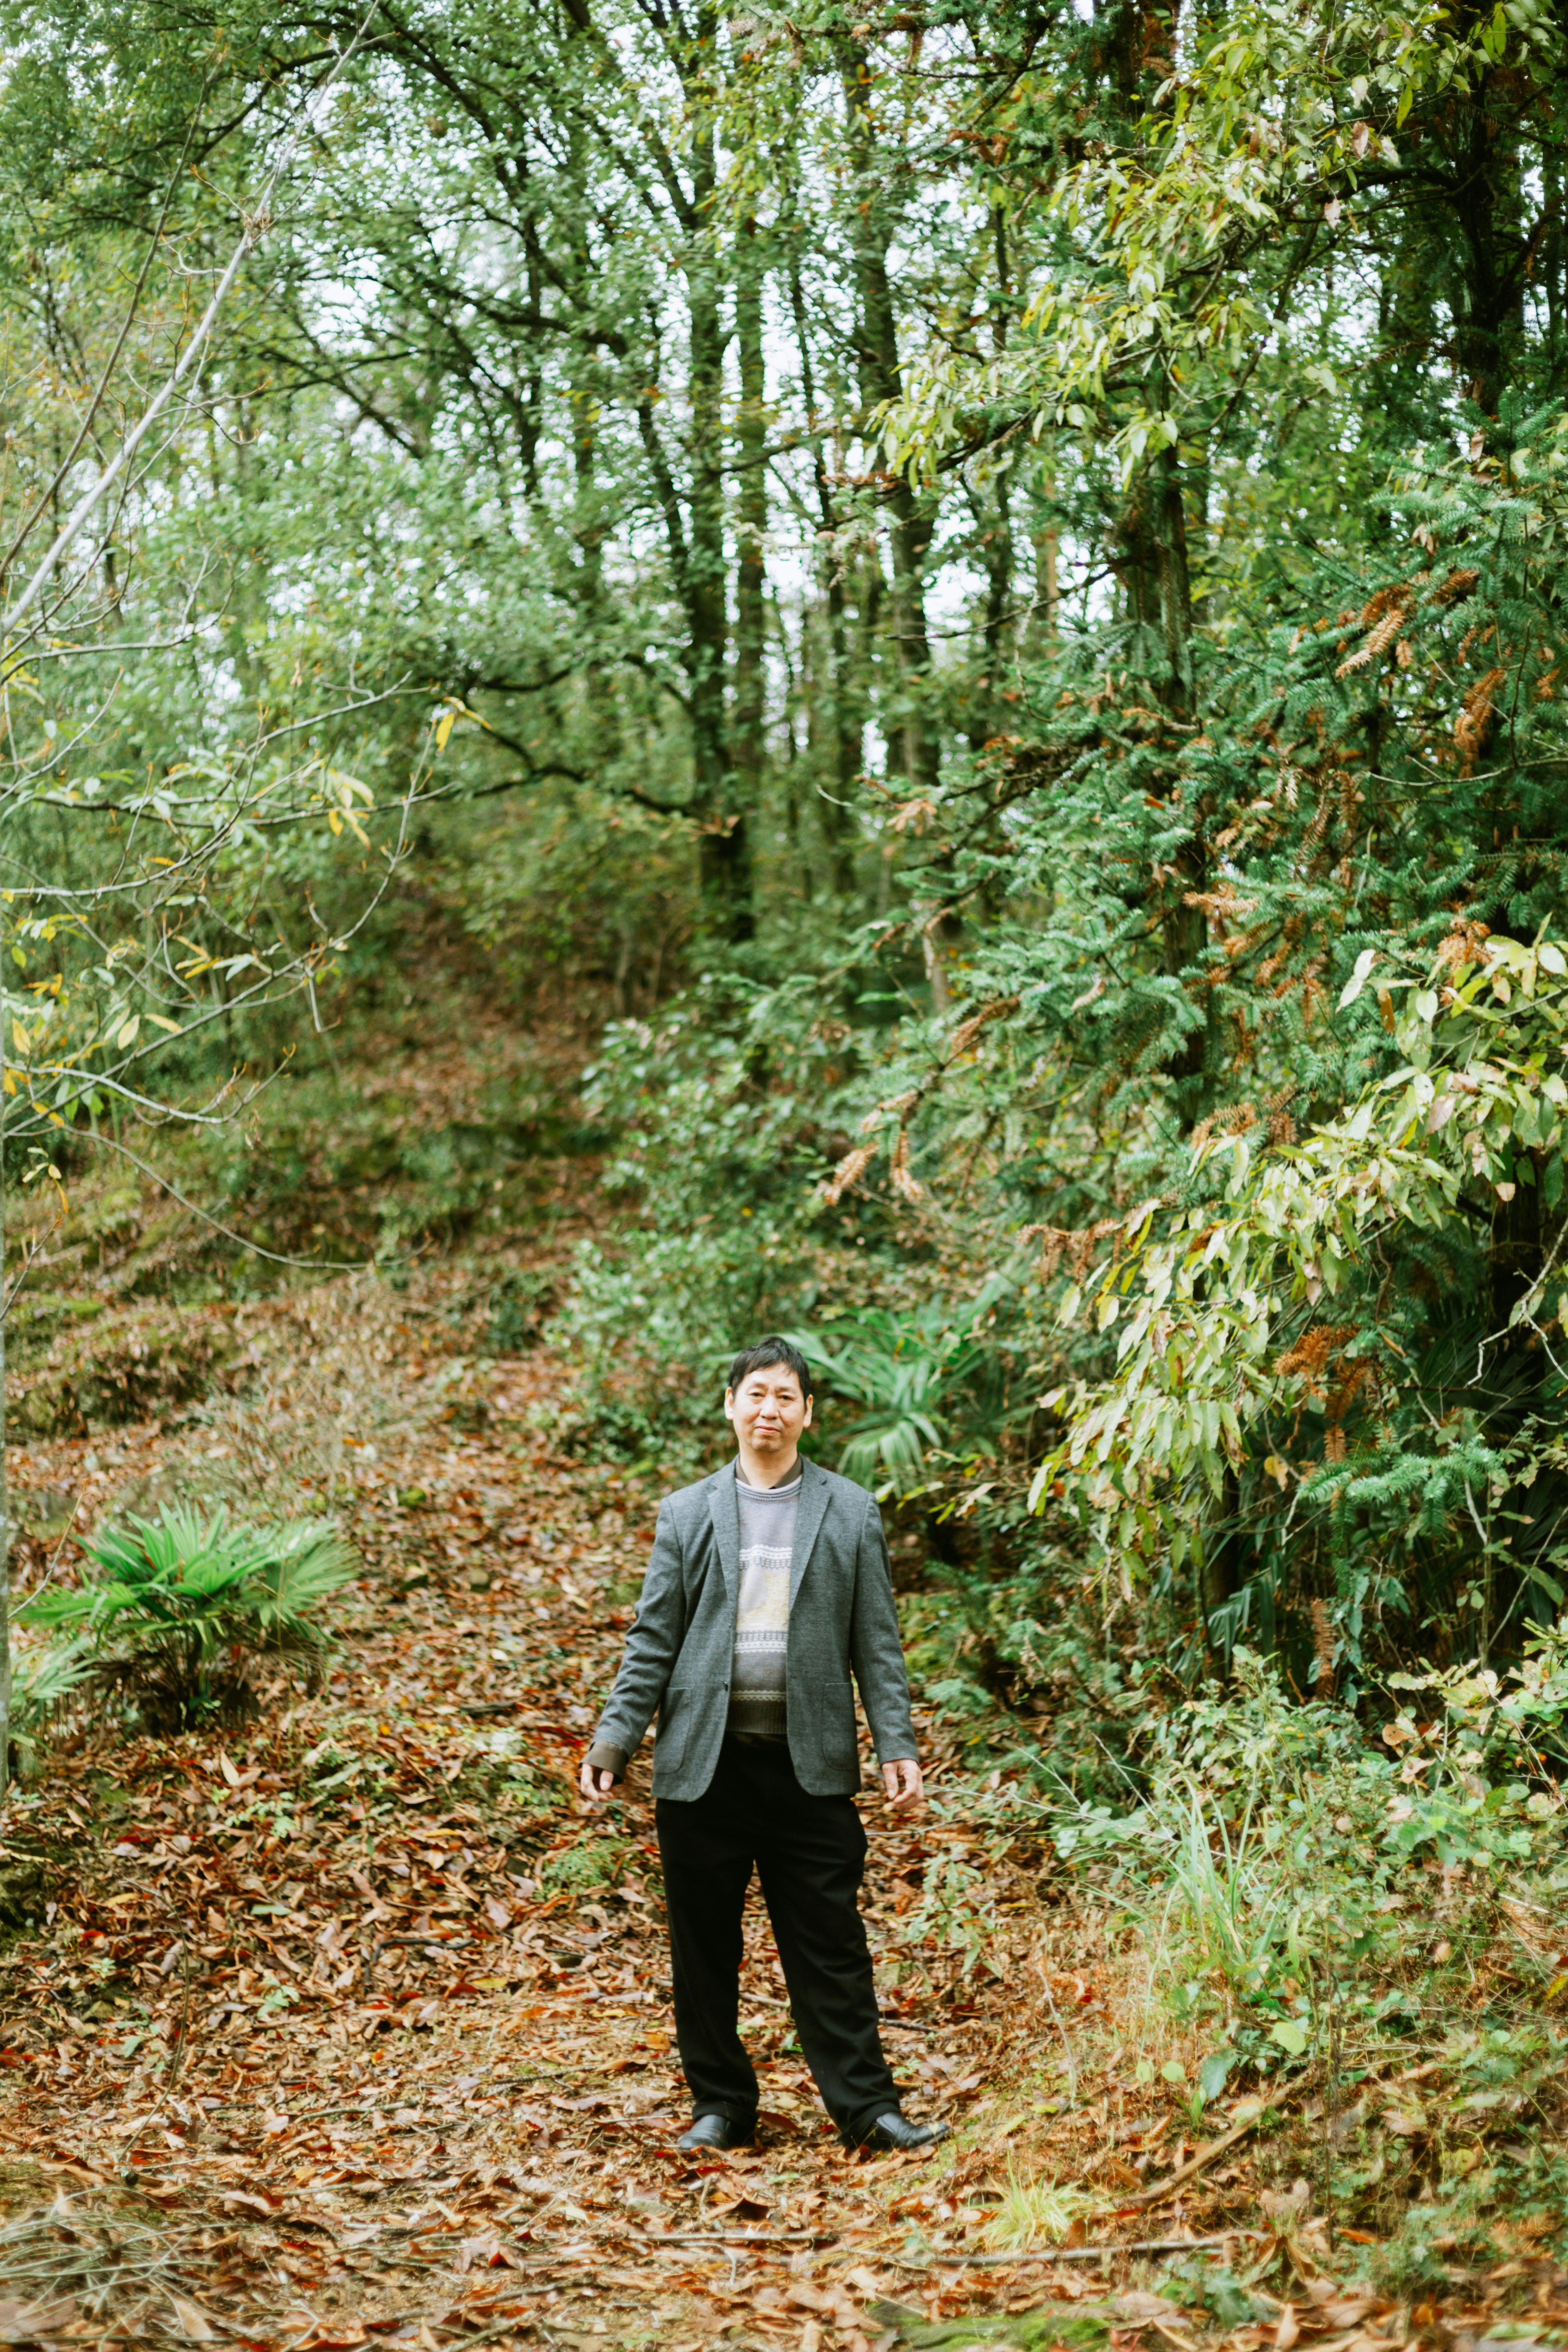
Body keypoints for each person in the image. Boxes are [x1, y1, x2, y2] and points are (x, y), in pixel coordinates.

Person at [579, 1336, 946, 2157]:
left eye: (786, 1397)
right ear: (730, 1406)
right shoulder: (686, 1512)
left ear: (807, 1413)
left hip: (806, 1766)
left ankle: (868, 2109)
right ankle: (722, 2107)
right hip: (702, 1769)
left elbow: (877, 1642)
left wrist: (897, 1743)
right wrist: (615, 1739)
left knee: (833, 1948)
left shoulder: (850, 1510)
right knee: (703, 1952)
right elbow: (653, 1640)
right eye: (756, 1395)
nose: (769, 1410)